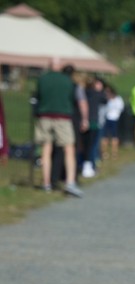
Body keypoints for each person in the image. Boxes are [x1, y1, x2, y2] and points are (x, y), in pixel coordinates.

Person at [34, 58, 83, 197]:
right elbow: (71, 98)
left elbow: (38, 96)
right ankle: (70, 182)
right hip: (62, 117)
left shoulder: (42, 79)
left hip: (44, 116)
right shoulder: (67, 81)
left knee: (46, 148)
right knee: (68, 148)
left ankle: (46, 182)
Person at [101, 84, 124, 160]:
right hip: (107, 119)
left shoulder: (118, 99)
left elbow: (121, 108)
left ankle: (114, 153)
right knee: (105, 137)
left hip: (114, 119)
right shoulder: (106, 99)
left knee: (114, 137)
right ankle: (104, 153)